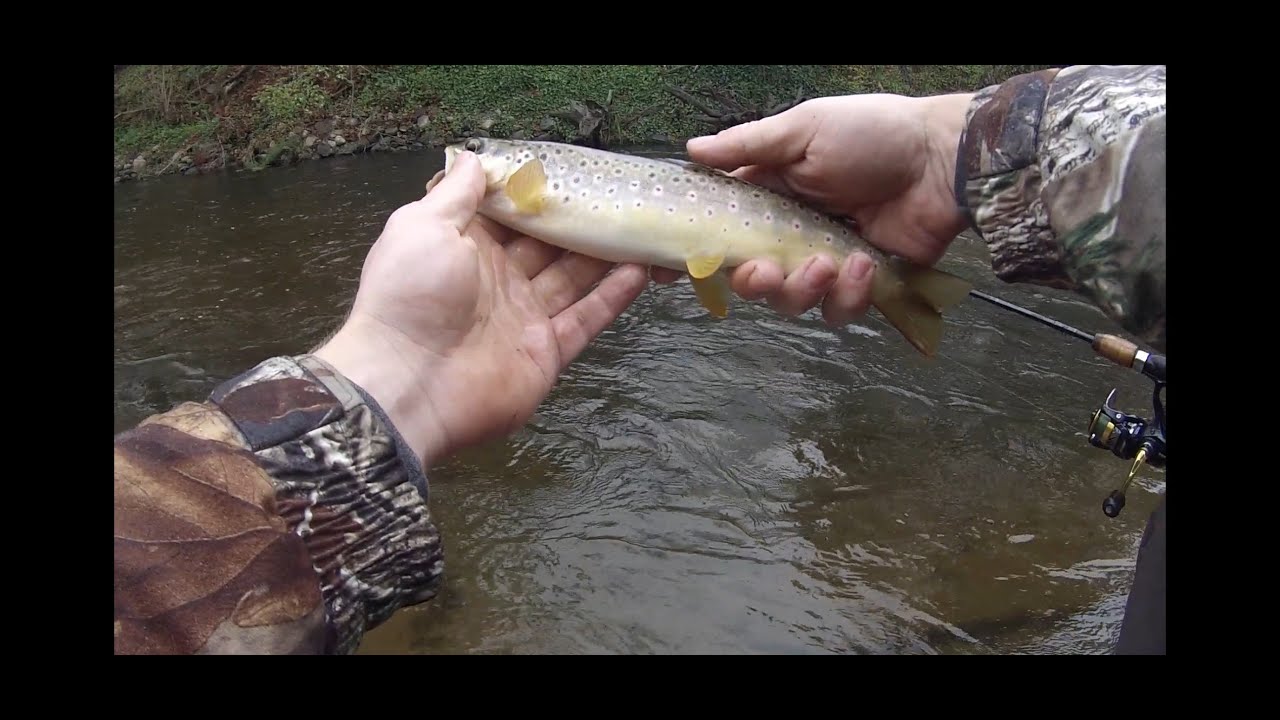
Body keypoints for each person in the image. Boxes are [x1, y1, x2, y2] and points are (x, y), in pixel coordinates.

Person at [114, 64, 1165, 655]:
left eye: (476, 161)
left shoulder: (514, 181)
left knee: (808, 263)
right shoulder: (517, 190)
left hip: (749, 233)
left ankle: (901, 292)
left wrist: (947, 152)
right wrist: (947, 149)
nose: (466, 170)